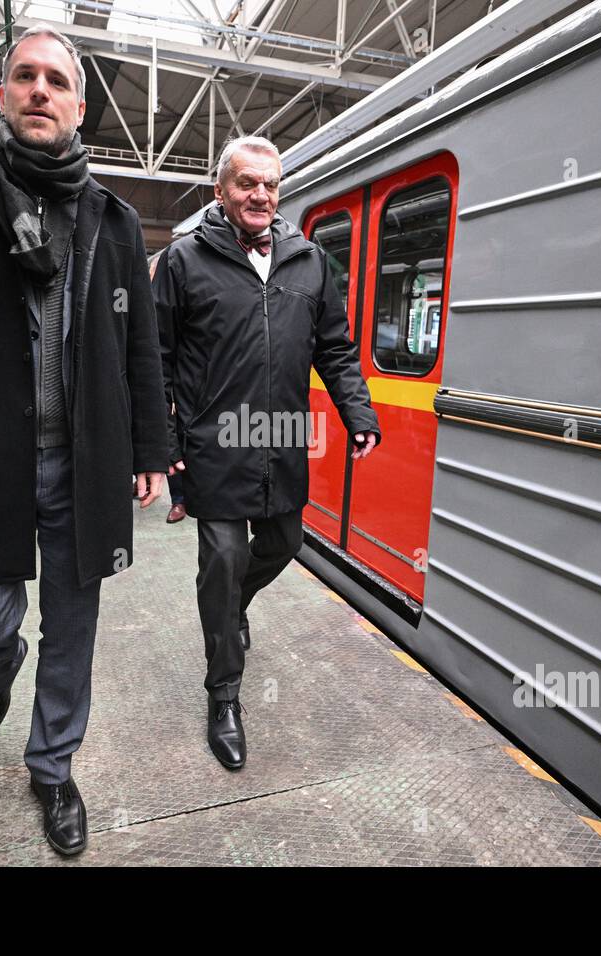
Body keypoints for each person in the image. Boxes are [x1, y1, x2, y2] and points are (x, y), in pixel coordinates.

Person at [0, 23, 168, 856]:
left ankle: (53, 768)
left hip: (85, 458)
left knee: (74, 624)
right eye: (25, 77)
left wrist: (151, 449)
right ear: (3, 95)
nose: (40, 90)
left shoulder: (114, 221)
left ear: (79, 107)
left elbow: (140, 348)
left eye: (56, 80)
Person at [151, 135, 380, 770]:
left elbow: (334, 348)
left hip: (279, 440)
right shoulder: (183, 261)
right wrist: (166, 444)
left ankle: (231, 609)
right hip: (214, 443)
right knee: (224, 556)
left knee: (284, 543)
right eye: (246, 183)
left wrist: (357, 413)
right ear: (220, 191)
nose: (259, 195)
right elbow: (155, 361)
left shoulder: (309, 262)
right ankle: (223, 694)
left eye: (270, 185)